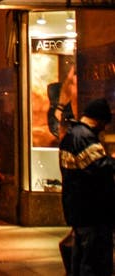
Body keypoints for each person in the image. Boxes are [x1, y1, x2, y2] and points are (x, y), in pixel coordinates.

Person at [59, 97, 115, 276]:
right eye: (105, 123)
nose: (105, 128)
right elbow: (99, 168)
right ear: (98, 120)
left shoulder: (71, 136)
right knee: (93, 261)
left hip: (78, 210)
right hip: (92, 211)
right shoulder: (85, 138)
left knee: (80, 258)